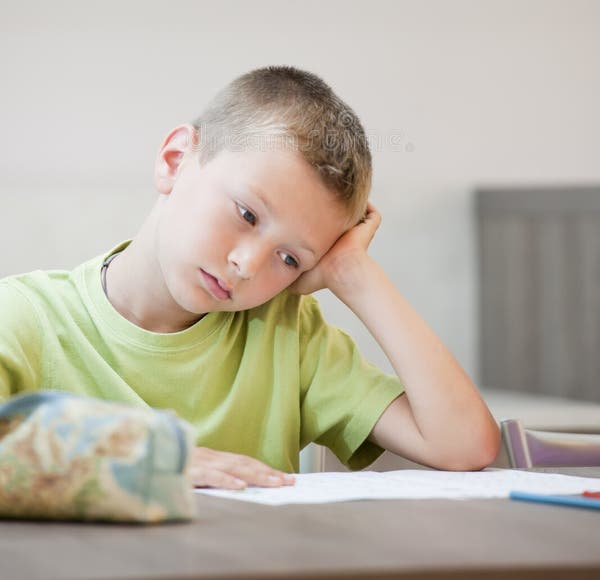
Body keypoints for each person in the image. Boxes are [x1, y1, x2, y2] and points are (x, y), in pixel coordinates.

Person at [0, 65, 500, 490]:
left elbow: (464, 444)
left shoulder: (287, 336)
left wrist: (354, 274)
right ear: (176, 160)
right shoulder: (23, 319)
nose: (247, 264)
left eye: (289, 260)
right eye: (246, 214)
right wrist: (134, 459)